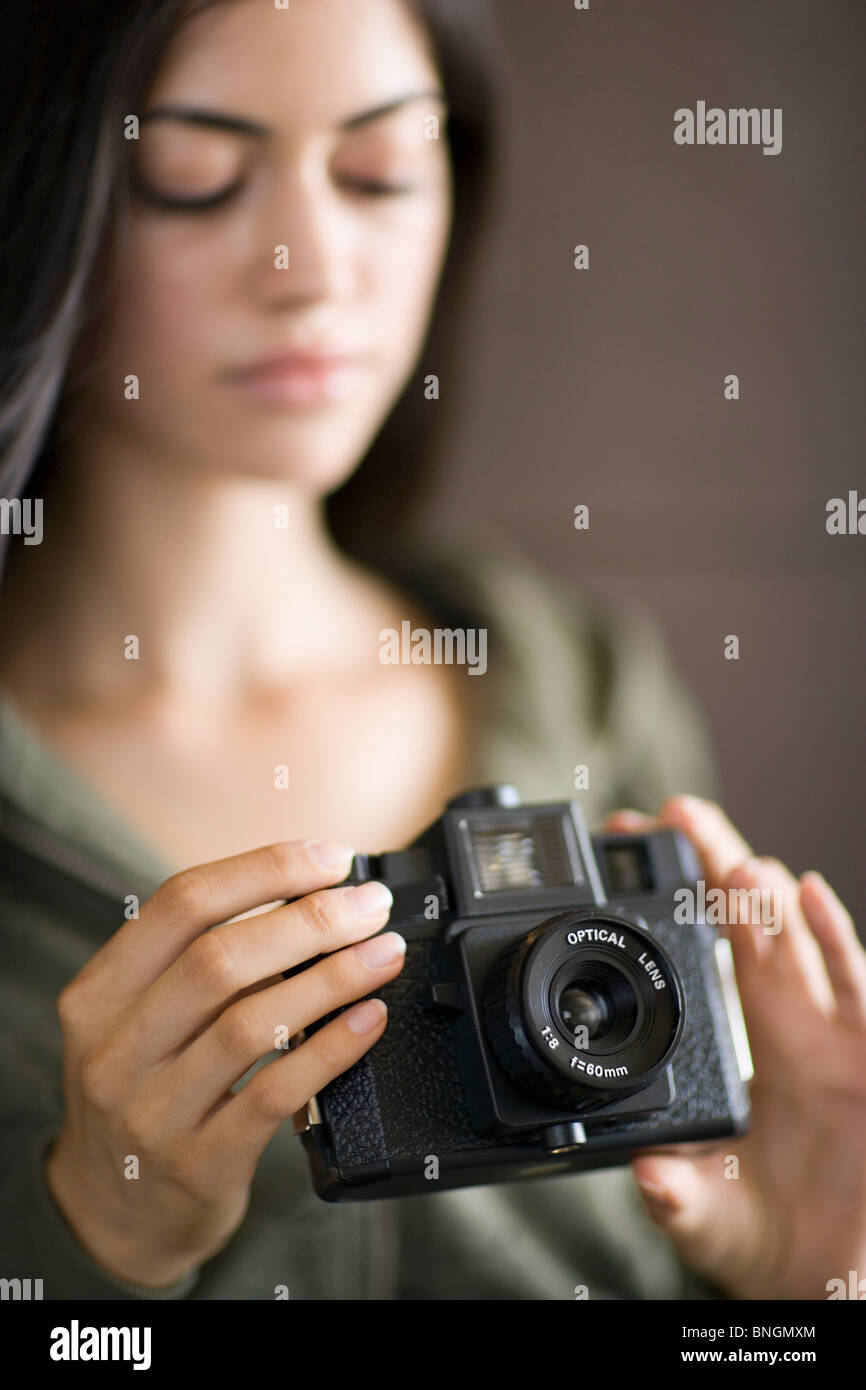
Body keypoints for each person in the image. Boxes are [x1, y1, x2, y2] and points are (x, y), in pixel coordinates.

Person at [0, 0, 864, 1302]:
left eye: (381, 170)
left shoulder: (582, 690)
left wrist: (806, 1290)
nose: (311, 264)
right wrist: (83, 1238)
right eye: (196, 176)